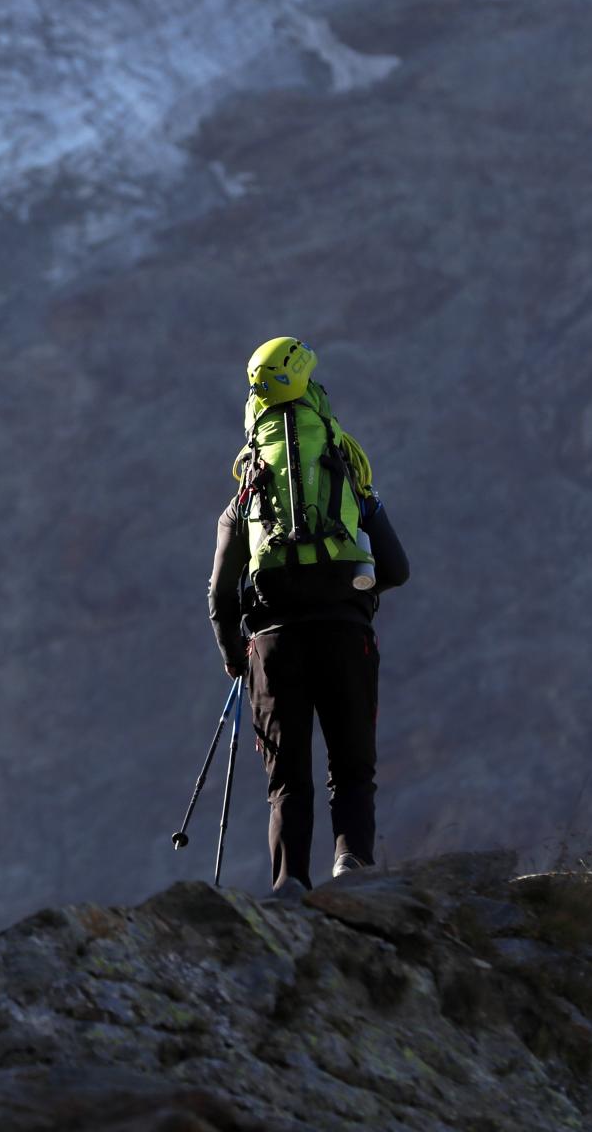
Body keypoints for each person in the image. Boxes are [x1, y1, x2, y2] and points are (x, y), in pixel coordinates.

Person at [207, 337, 409, 894]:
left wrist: (234, 657)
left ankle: (290, 883)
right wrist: (353, 592)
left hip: (273, 643)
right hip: (346, 632)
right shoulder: (347, 469)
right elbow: (397, 568)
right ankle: (352, 865)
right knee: (351, 767)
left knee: (286, 780)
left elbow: (222, 594)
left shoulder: (246, 486)